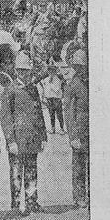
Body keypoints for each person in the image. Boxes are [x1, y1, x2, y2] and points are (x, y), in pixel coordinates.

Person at [0, 51, 47, 216]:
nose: (23, 73)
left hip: (32, 139)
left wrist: (43, 136)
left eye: (26, 70)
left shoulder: (33, 88)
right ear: (16, 71)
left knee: (32, 172)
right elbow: (5, 118)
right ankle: (15, 205)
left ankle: (31, 202)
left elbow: (39, 113)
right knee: (16, 174)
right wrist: (10, 141)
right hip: (17, 141)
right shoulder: (10, 90)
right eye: (20, 70)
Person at [63, 49, 89, 207]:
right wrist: (73, 137)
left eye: (82, 66)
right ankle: (79, 197)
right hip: (79, 132)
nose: (80, 69)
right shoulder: (73, 85)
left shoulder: (88, 83)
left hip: (90, 130)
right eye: (77, 66)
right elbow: (68, 113)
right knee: (79, 166)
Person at [41, 63, 65, 134]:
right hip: (49, 100)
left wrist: (51, 84)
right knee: (51, 115)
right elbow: (45, 90)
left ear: (55, 72)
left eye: (53, 71)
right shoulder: (46, 79)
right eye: (49, 71)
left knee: (59, 115)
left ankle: (61, 128)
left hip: (56, 99)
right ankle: (53, 128)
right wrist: (44, 97)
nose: (51, 72)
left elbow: (57, 90)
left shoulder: (57, 79)